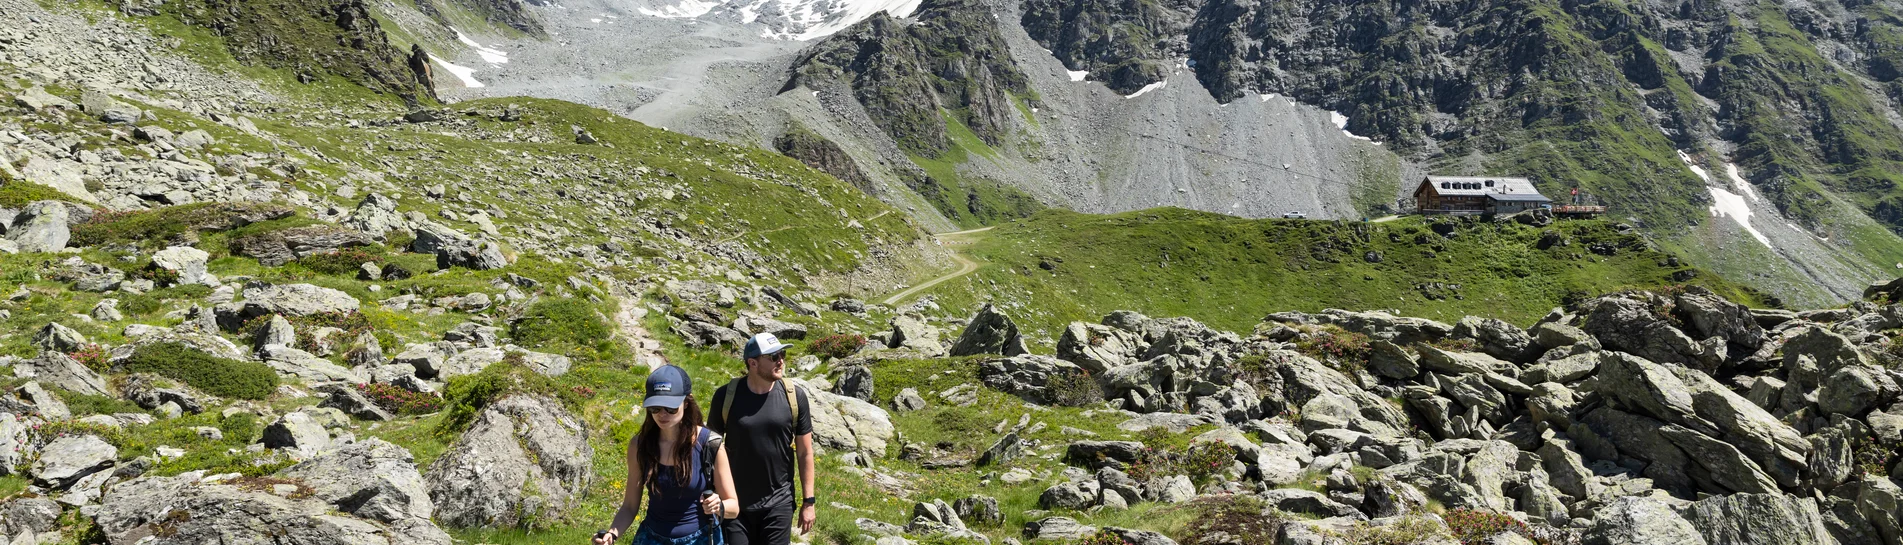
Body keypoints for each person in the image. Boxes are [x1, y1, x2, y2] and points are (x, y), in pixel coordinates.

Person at [596, 365, 739, 545]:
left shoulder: (710, 444)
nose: (662, 414)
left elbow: (734, 506)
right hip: (652, 538)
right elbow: (630, 506)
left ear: (686, 403)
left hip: (700, 539)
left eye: (671, 408)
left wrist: (719, 506)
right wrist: (611, 535)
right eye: (655, 408)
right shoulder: (639, 445)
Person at [707, 333, 815, 545]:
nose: (781, 360)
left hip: (779, 502)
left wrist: (808, 502)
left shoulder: (794, 396)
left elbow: (805, 452)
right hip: (734, 503)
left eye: (782, 354)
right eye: (773, 356)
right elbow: (711, 448)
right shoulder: (726, 396)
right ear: (752, 362)